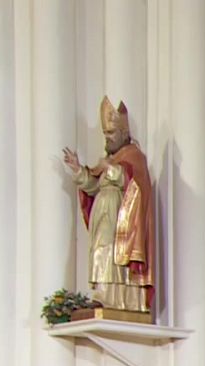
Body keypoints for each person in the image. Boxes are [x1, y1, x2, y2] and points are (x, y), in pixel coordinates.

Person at [61, 97, 156, 313]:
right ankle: (103, 296)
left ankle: (116, 299)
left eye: (111, 134)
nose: (107, 139)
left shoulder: (134, 156)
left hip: (119, 217)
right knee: (100, 251)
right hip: (103, 214)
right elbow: (93, 187)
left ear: (124, 133)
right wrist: (78, 170)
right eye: (105, 134)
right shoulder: (111, 158)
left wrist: (111, 167)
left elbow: (133, 182)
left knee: (111, 252)